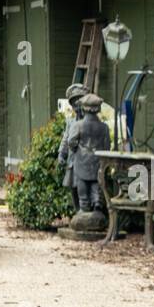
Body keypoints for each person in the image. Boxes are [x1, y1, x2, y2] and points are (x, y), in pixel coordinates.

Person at [67, 93, 112, 232]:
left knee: (82, 185)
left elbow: (71, 142)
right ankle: (97, 206)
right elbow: (107, 146)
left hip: (81, 160)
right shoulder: (104, 127)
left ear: (84, 108)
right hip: (97, 161)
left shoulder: (78, 125)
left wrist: (77, 150)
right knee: (96, 185)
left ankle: (84, 208)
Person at [56, 83, 89, 212]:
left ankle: (86, 210)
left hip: (85, 161)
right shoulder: (70, 122)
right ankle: (77, 211)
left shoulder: (90, 121)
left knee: (85, 187)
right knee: (73, 187)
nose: (77, 106)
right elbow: (65, 139)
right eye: (74, 103)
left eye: (79, 102)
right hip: (72, 161)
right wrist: (61, 154)